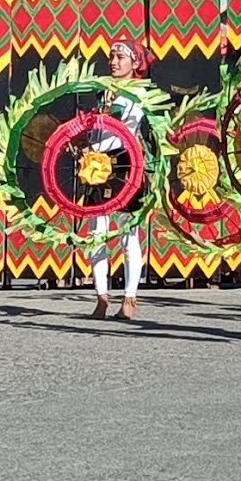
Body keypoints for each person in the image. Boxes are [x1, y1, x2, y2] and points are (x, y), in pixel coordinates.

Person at [82, 38, 152, 321]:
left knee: (128, 234)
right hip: (96, 169)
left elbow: (124, 129)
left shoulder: (139, 95)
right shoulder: (104, 93)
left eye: (120, 57)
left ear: (134, 63)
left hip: (124, 166)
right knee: (96, 233)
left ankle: (130, 299)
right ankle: (101, 297)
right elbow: (99, 130)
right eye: (111, 56)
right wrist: (86, 144)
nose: (113, 61)